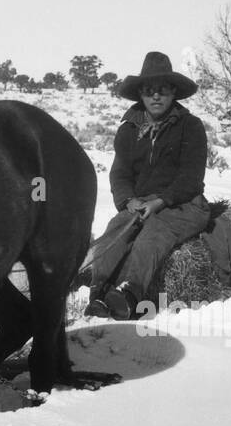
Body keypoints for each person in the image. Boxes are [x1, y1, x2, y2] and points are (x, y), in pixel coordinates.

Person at [85, 51, 209, 319]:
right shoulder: (128, 129)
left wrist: (159, 201)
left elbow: (191, 177)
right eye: (150, 90)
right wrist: (128, 200)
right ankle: (98, 292)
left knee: (154, 232)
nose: (156, 96)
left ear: (173, 92)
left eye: (162, 91)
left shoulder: (191, 126)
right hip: (139, 202)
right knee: (115, 230)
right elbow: (119, 173)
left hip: (182, 204)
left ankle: (131, 293)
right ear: (140, 93)